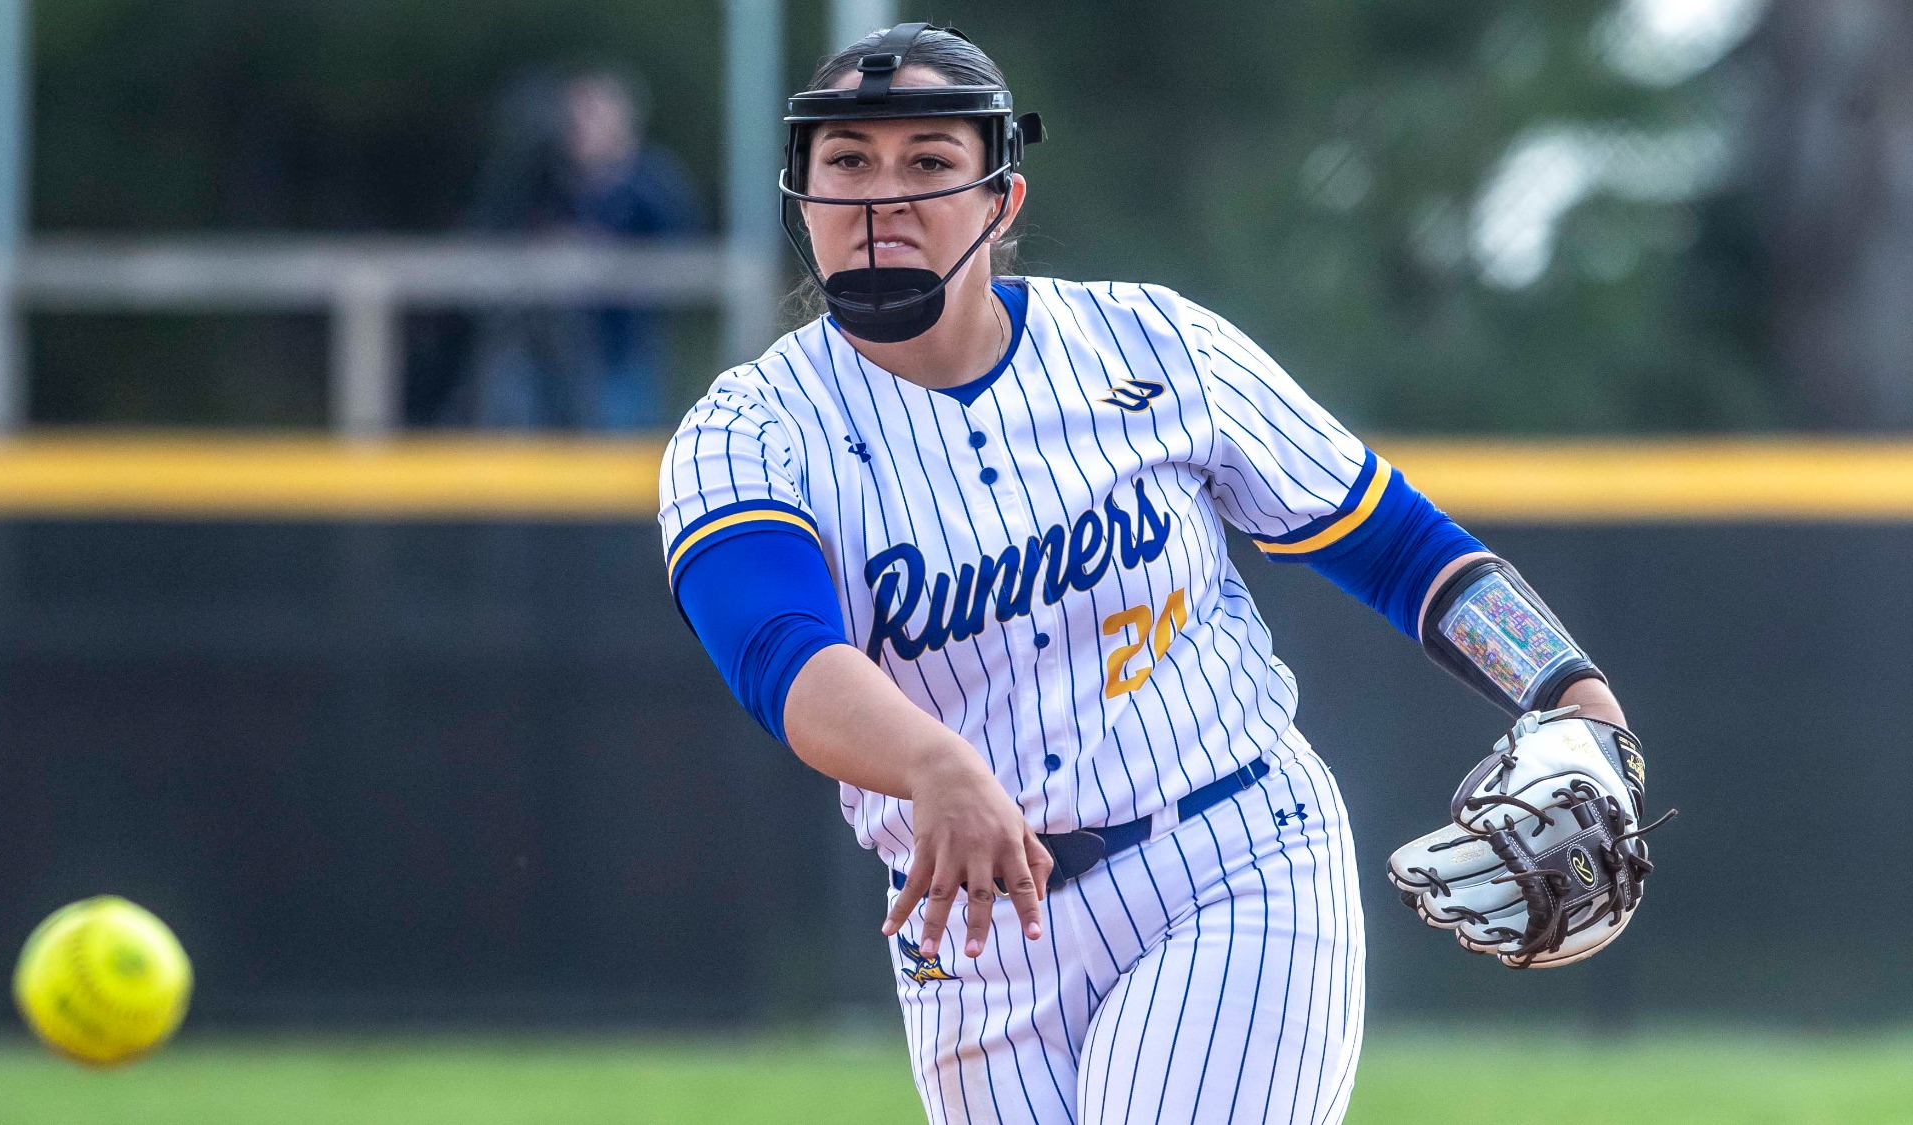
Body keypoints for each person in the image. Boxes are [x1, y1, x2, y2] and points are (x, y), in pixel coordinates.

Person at [658, 24, 1663, 1124]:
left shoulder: (1154, 345)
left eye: (929, 161)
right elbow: (777, 652)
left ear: (1000, 200)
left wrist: (1572, 693)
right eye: (845, 162)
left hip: (1228, 861)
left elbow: (1398, 546)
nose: (881, 196)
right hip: (970, 943)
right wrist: (930, 761)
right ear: (801, 196)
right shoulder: (746, 432)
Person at [449, 69, 701, 429]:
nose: (578, 125)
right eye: (574, 114)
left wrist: (608, 258)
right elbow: (501, 238)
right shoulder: (546, 178)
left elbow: (683, 258)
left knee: (621, 444)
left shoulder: (653, 183)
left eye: (591, 113)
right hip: (544, 346)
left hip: (623, 346)